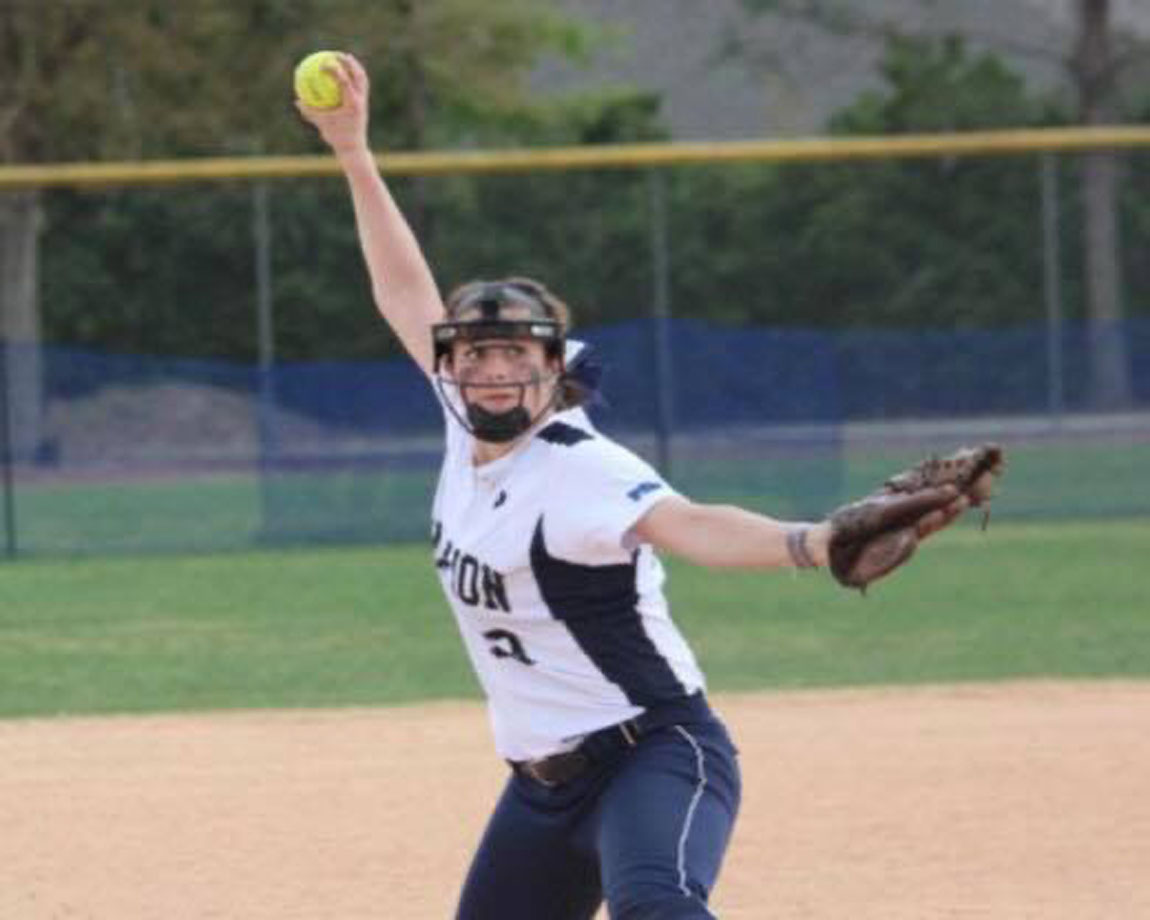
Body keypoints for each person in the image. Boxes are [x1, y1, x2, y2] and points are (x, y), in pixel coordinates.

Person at [297, 54, 965, 920]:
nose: (492, 371)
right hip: (542, 792)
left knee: (656, 907)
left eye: (514, 354)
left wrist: (816, 543)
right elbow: (401, 288)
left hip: (655, 752)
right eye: (474, 354)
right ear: (450, 367)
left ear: (553, 366)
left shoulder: (577, 465)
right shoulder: (466, 421)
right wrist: (352, 150)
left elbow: (693, 525)